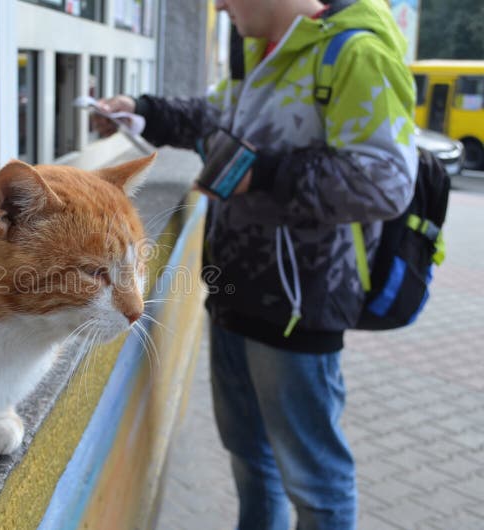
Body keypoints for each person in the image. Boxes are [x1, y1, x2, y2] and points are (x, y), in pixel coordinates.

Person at [95, 0, 417, 528]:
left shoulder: (355, 52)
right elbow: (213, 117)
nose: (218, 5)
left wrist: (264, 174)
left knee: (315, 482)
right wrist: (141, 109)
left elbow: (385, 181)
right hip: (234, 298)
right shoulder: (260, 50)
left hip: (300, 310)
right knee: (251, 462)